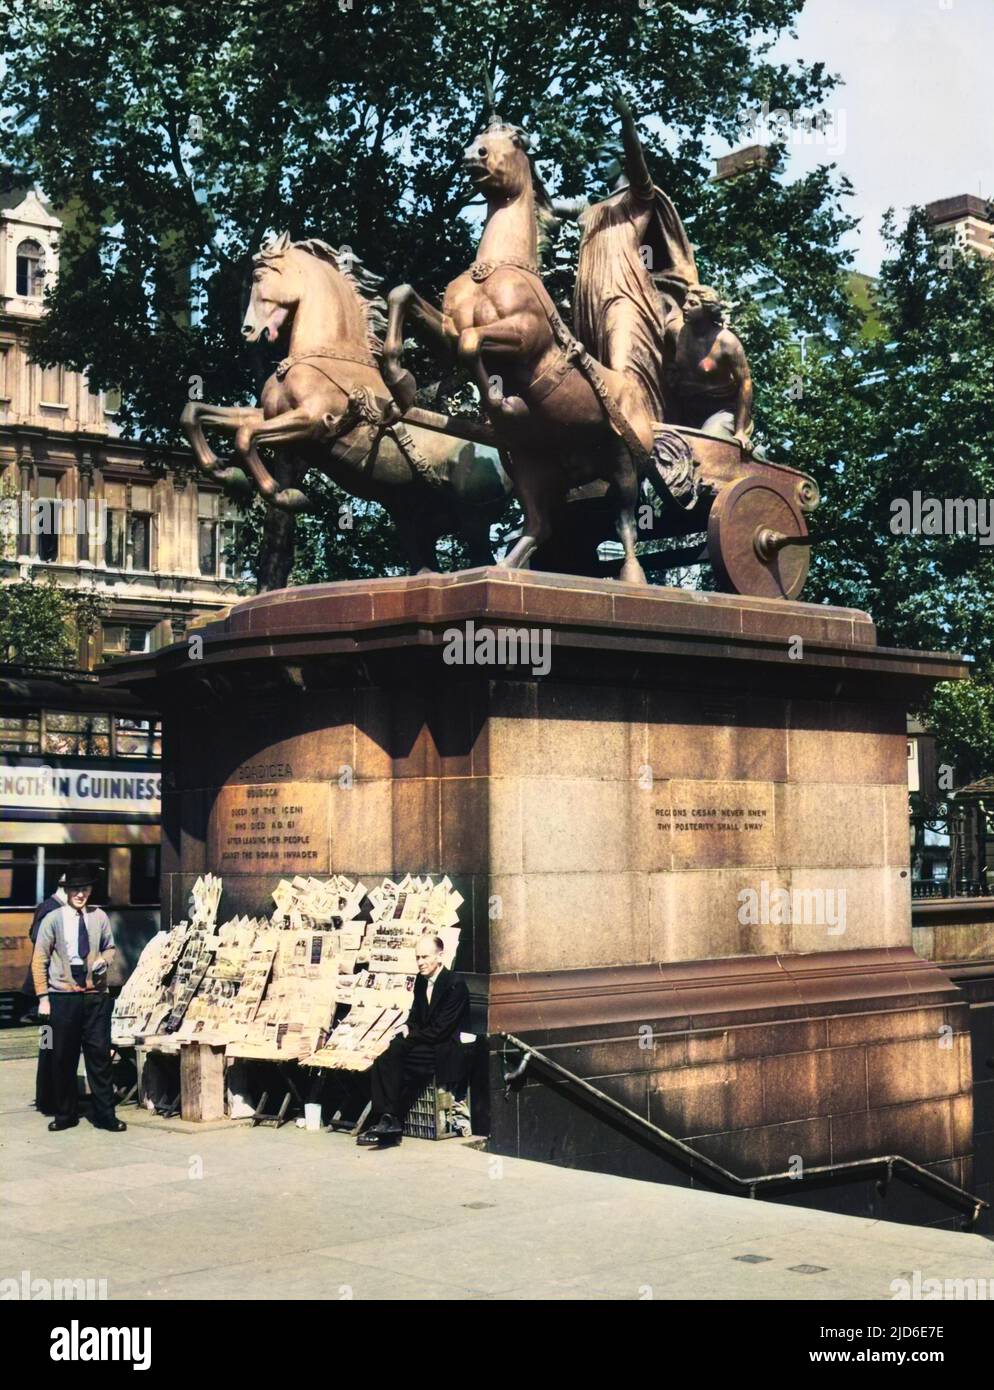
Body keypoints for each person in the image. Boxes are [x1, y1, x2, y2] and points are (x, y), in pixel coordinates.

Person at [556, 87, 699, 423]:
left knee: (623, 367)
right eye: (594, 162)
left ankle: (642, 438)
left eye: (604, 160)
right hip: (590, 302)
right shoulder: (590, 209)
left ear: (619, 159)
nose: (597, 167)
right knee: (597, 375)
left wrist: (626, 118)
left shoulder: (638, 196)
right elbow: (543, 204)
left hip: (628, 293)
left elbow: (638, 164)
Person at [32, 861, 126, 1133]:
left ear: (90, 891)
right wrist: (43, 998)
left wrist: (104, 962)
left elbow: (110, 948)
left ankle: (105, 1115)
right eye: (75, 889)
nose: (80, 894)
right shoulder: (53, 919)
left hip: (95, 997)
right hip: (63, 998)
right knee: (63, 1057)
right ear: (67, 890)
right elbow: (39, 960)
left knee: (99, 1057)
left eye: (84, 889)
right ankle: (65, 1115)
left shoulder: (99, 917)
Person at [357, 935, 470, 1147]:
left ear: (440, 956)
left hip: (444, 1047)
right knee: (385, 1059)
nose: (420, 962)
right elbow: (417, 1016)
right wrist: (406, 1026)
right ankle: (388, 1119)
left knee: (398, 1063)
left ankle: (387, 1120)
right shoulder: (420, 980)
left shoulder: (455, 985)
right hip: (424, 1041)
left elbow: (441, 1030)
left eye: (425, 957)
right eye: (417, 957)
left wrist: (410, 1034)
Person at [665, 284, 756, 451]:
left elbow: (746, 383)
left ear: (707, 309)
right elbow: (667, 360)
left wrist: (740, 431)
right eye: (686, 302)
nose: (685, 307)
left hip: (720, 410)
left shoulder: (727, 342)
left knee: (707, 445)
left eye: (693, 304)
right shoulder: (675, 331)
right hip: (687, 408)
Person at [19, 874, 68, 1114]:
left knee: (47, 1045)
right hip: (49, 992)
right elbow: (38, 938)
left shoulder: (50, 907)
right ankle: (48, 1098)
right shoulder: (51, 909)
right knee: (49, 1046)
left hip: (49, 992)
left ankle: (46, 1096)